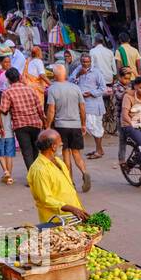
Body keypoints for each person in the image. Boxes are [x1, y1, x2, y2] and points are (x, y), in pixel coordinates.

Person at [26, 129, 89, 223]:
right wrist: (71, 208)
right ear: (53, 147)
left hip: (71, 217)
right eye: (60, 142)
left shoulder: (58, 161)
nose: (62, 144)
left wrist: (77, 209)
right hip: (56, 221)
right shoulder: (39, 170)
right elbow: (45, 199)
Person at [44, 62, 89, 192]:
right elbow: (82, 107)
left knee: (65, 154)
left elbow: (51, 110)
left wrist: (47, 126)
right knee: (76, 153)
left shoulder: (52, 89)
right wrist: (83, 123)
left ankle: (70, 182)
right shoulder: (75, 88)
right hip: (75, 125)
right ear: (66, 74)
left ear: (54, 75)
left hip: (61, 126)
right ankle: (84, 172)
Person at [0, 67, 45, 170]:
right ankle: (39, 174)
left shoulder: (7, 92)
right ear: (20, 77)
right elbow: (40, 109)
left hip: (20, 126)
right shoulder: (30, 89)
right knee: (35, 150)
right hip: (35, 123)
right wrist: (44, 122)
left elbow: (4, 110)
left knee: (26, 151)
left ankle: (32, 175)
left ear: (8, 79)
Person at [73, 53, 108, 159]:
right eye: (83, 62)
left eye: (87, 62)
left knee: (94, 127)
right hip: (83, 104)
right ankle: (99, 149)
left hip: (94, 104)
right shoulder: (78, 69)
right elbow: (70, 81)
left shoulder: (97, 72)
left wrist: (91, 93)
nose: (85, 64)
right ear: (80, 62)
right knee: (92, 127)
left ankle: (99, 150)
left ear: (91, 62)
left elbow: (103, 88)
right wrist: (79, 74)